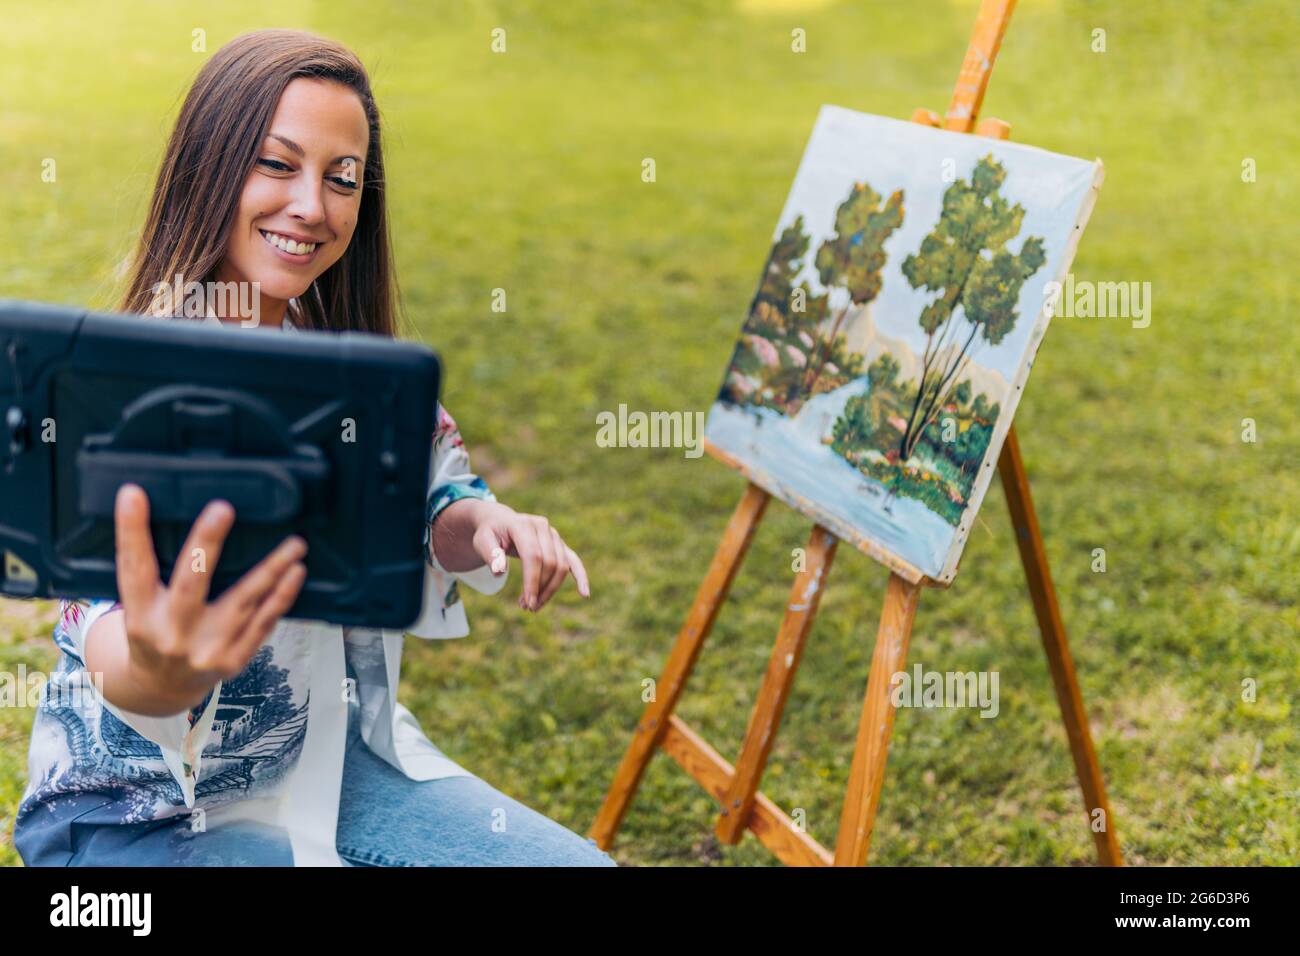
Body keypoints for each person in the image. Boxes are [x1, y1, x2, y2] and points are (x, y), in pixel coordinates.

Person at [14, 29, 615, 867]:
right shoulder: (123, 391)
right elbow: (115, 645)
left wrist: (483, 520)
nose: (314, 206)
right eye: (276, 164)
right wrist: (162, 667)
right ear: (208, 168)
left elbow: (433, 491)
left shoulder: (351, 373)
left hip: (326, 774)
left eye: (343, 180)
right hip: (137, 819)